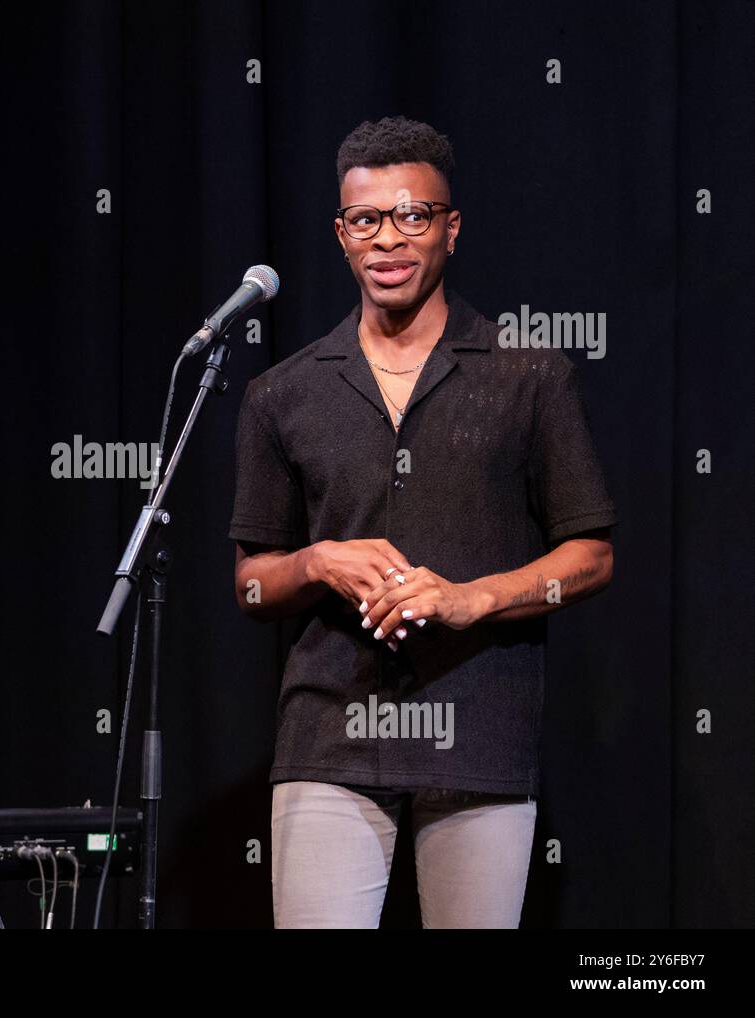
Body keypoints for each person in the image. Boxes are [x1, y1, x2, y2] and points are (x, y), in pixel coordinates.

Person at [230, 116, 616, 928]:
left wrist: (474, 598)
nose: (388, 239)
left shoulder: (529, 375)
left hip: (478, 729)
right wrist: (317, 563)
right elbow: (253, 585)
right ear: (342, 235)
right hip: (329, 734)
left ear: (451, 227)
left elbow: (590, 555)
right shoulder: (283, 392)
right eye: (367, 219)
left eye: (413, 215)